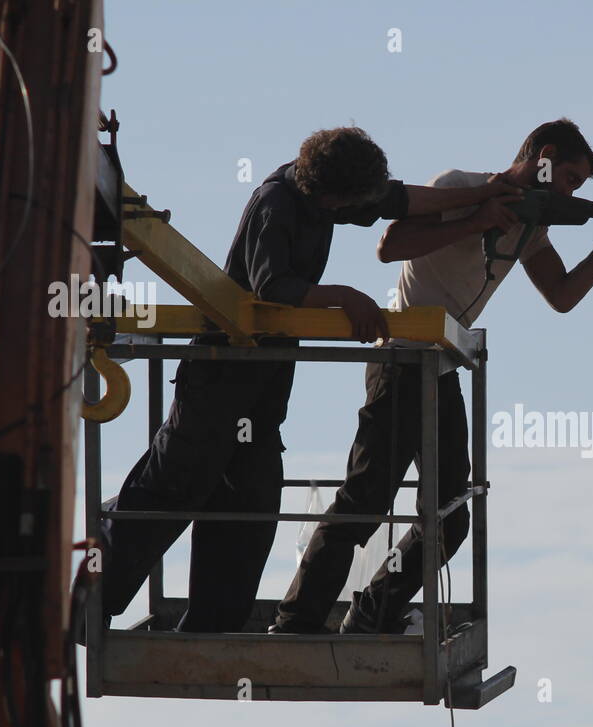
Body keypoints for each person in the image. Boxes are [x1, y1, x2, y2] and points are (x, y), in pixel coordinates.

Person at [100, 127, 518, 633]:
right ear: (331, 195)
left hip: (263, 389)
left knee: (249, 508)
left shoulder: (323, 195)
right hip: (218, 383)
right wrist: (345, 296)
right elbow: (272, 286)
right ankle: (89, 602)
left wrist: (484, 193)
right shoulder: (277, 203)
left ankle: (212, 626)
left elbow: (400, 199)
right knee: (171, 489)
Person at [271, 118, 593, 634]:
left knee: (449, 517)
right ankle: (296, 621)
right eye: (568, 179)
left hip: (439, 365)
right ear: (543, 156)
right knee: (366, 500)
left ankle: (371, 614)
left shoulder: (529, 225)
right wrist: (477, 219)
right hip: (401, 358)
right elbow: (391, 244)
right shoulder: (457, 188)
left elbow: (562, 295)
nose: (569, 193)